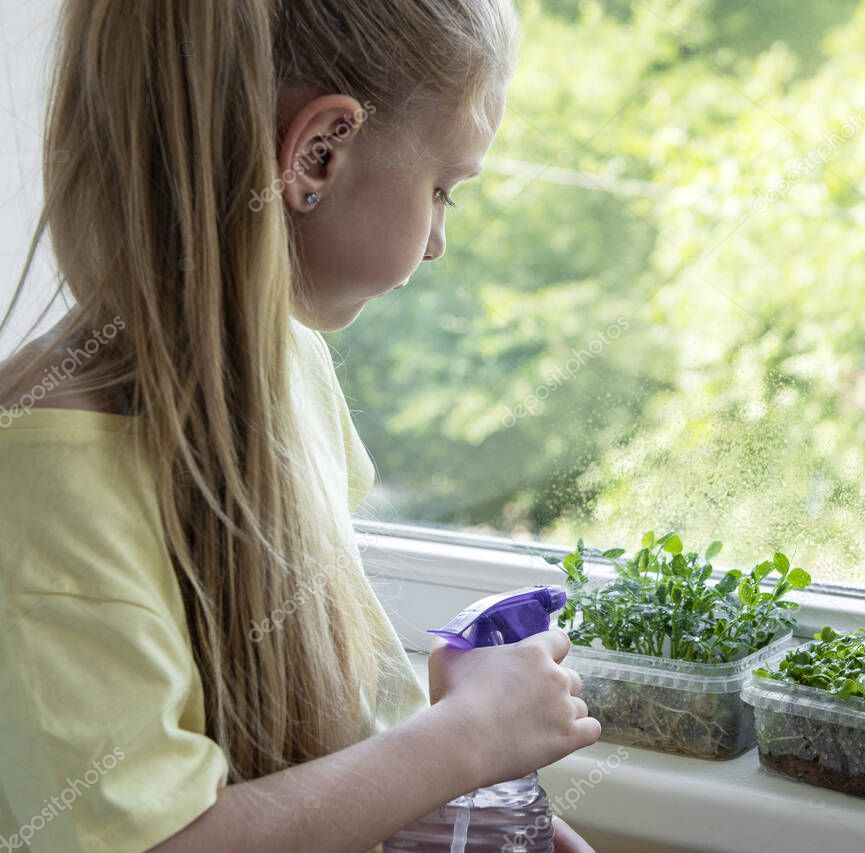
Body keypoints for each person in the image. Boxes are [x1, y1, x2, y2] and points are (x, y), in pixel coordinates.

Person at [0, 1, 600, 851]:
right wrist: (463, 737)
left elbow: (332, 722)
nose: (436, 243)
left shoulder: (289, 366)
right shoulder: (39, 475)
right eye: (441, 190)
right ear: (317, 153)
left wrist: (472, 795)